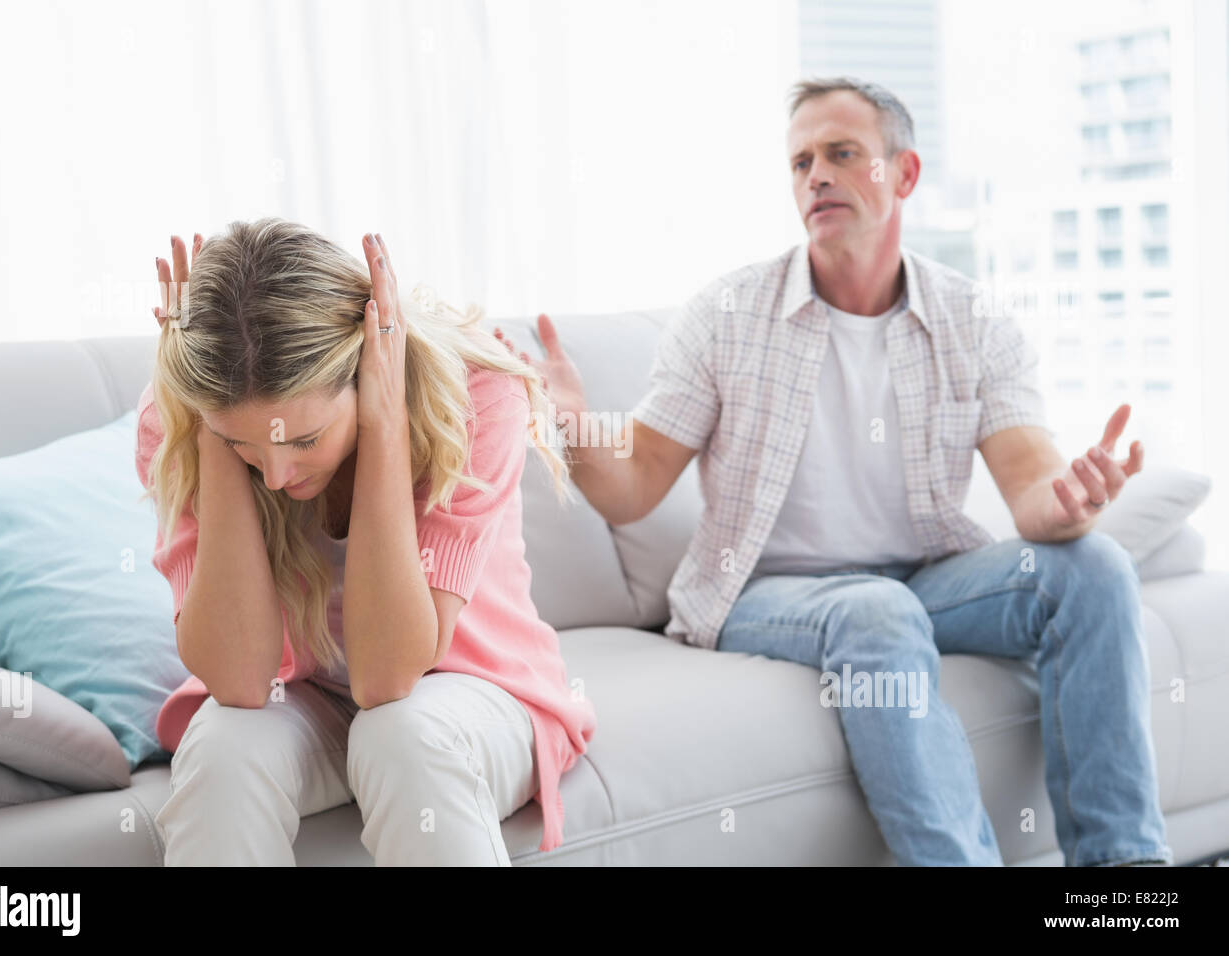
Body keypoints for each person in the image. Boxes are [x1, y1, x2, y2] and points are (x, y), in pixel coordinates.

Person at [496, 77, 1171, 866]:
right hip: (765, 590)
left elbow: (1032, 488)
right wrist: (575, 427)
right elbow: (636, 482)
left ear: (904, 174)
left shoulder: (971, 320)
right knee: (874, 611)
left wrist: (1070, 504)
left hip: (926, 576)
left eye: (842, 154)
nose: (815, 175)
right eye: (801, 161)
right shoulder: (728, 314)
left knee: (1095, 568)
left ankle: (1126, 883)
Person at [135, 218, 596, 866]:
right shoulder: (182, 422)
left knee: (402, 734)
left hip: (473, 691)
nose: (275, 475)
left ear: (363, 369)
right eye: (246, 447)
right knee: (221, 747)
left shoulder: (477, 395)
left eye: (303, 440)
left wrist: (384, 423)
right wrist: (207, 414)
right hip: (308, 699)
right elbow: (240, 680)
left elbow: (387, 677)